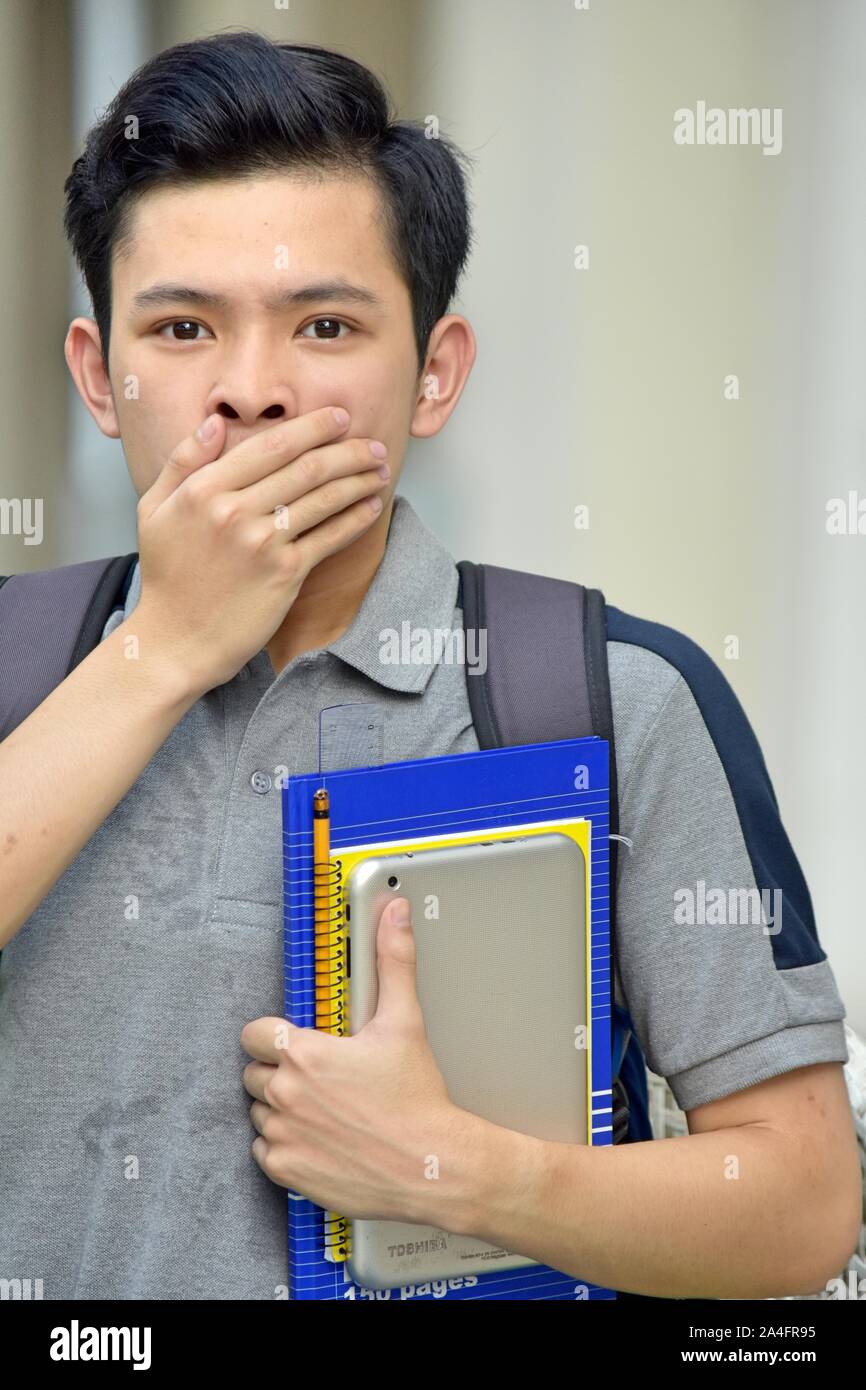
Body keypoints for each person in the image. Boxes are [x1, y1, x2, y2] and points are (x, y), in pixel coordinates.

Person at [0, 30, 859, 1302]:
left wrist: (454, 1172)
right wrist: (165, 650)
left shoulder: (615, 698)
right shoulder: (21, 675)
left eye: (326, 324)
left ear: (434, 373)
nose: (251, 391)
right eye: (182, 326)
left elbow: (799, 1205)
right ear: (99, 378)